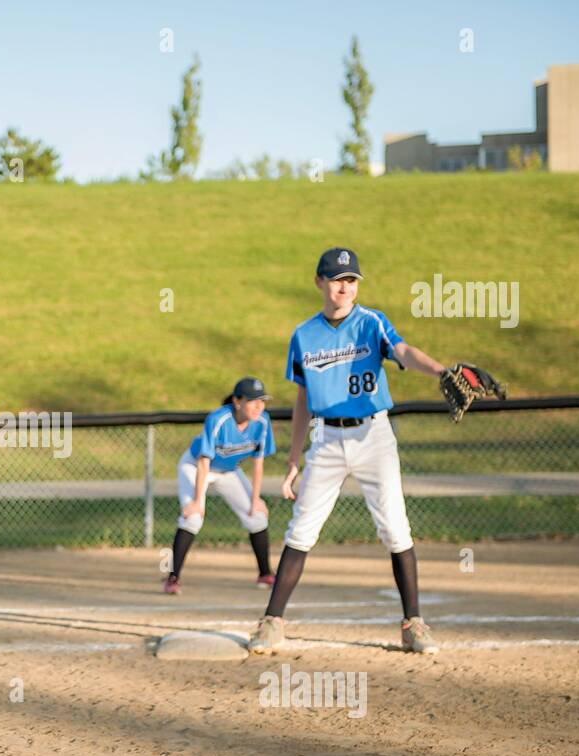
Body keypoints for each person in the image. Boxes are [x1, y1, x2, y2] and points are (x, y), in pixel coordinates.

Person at [249, 246, 447, 656]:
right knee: (301, 530)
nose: (345, 286)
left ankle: (413, 624)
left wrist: (441, 371)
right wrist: (292, 460)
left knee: (395, 528)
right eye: (337, 278)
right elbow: (303, 399)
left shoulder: (371, 322)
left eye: (352, 280)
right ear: (320, 282)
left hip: (374, 437)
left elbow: (404, 352)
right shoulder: (304, 335)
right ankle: (272, 623)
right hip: (326, 440)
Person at [163, 377, 276, 594]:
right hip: (195, 466)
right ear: (237, 401)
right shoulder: (218, 419)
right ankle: (172, 578)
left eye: (262, 401)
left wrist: (256, 500)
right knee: (193, 518)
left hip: (229, 470)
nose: (259, 406)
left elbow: (258, 463)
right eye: (253, 401)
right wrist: (197, 501)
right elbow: (204, 460)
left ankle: (265, 574)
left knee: (257, 516)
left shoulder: (262, 421)